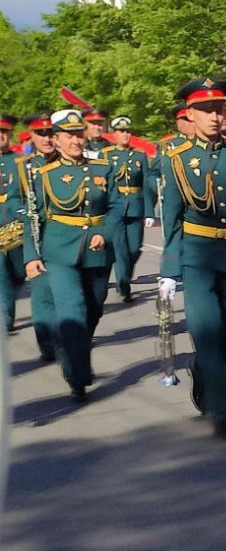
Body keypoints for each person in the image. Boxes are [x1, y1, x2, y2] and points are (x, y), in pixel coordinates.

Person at [159, 79, 226, 436]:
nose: (215, 116)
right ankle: (222, 407)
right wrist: (169, 270)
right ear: (190, 114)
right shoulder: (176, 159)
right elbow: (171, 218)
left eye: (220, 109)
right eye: (205, 110)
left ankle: (204, 368)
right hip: (197, 255)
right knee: (205, 332)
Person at [20, 110, 121, 401]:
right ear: (57, 140)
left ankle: (69, 349)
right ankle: (78, 374)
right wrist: (31, 255)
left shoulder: (103, 168)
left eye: (79, 134)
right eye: (68, 135)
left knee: (94, 309)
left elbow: (116, 206)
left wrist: (107, 232)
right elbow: (33, 216)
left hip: (99, 251)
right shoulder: (45, 174)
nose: (75, 140)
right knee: (72, 308)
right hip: (59, 251)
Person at [15, 112, 60, 360]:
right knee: (42, 292)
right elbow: (14, 200)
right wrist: (26, 213)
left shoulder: (67, 162)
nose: (46, 138)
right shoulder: (23, 167)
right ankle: (47, 343)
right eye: (41, 133)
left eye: (50, 133)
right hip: (39, 235)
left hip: (67, 237)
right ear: (32, 136)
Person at [99, 116, 156, 303]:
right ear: (114, 134)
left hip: (136, 205)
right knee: (120, 248)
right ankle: (124, 285)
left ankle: (124, 274)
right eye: (121, 131)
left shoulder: (140, 156)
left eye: (128, 131)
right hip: (113, 207)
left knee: (134, 248)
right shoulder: (105, 155)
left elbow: (147, 185)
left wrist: (149, 212)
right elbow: (101, 186)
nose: (125, 134)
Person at [0, 114, 26, 333]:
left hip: (15, 226)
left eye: (4, 132)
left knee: (17, 273)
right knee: (2, 274)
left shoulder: (19, 162)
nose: (0, 136)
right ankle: (6, 318)